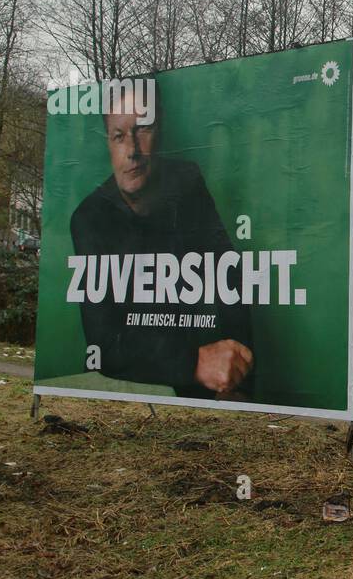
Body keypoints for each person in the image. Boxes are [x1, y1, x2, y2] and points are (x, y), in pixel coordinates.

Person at [69, 82, 255, 399]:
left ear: (161, 133)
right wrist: (193, 362)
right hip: (133, 387)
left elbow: (228, 275)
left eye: (143, 130)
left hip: (198, 380)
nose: (132, 150)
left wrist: (236, 364)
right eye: (119, 136)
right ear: (109, 145)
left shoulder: (187, 181)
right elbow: (103, 342)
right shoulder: (89, 218)